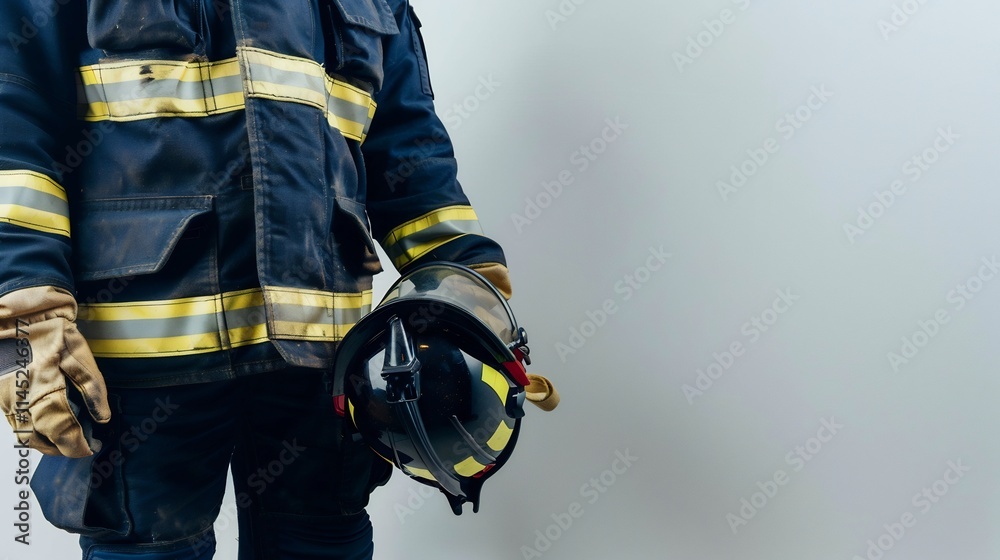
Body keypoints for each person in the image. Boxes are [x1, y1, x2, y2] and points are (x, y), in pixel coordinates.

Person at [0, 1, 514, 558]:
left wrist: (466, 286)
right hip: (139, 367)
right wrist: (27, 313)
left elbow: (408, 144)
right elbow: (13, 125)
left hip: (327, 362)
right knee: (146, 548)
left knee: (323, 539)